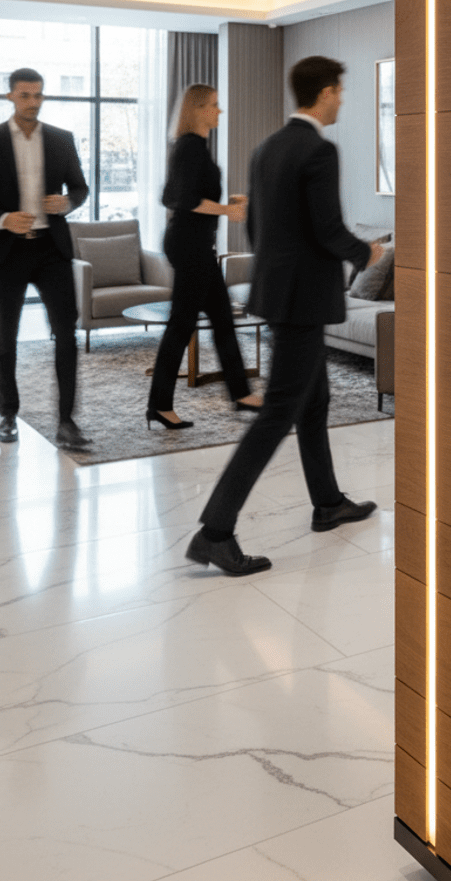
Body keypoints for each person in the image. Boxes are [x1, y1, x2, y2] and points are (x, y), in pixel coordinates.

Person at [186, 56, 383, 576]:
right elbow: (327, 229)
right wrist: (366, 253)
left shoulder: (267, 147)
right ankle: (215, 532)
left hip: (277, 295)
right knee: (277, 413)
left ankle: (327, 503)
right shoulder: (319, 150)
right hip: (304, 301)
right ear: (324, 93)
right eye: (339, 91)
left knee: (313, 402)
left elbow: (257, 227)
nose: (342, 100)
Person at [0, 67, 91, 450]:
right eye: (25, 95)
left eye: (38, 95)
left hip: (51, 250)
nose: (33, 102)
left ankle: (67, 421)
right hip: (6, 251)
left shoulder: (61, 139)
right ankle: (8, 414)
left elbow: (80, 187)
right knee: (4, 337)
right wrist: (2, 219)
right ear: (10, 96)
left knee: (66, 334)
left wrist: (68, 202)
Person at [146, 84, 262, 429]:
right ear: (197, 109)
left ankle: (241, 393)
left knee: (223, 320)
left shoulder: (191, 146)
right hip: (190, 245)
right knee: (181, 326)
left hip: (194, 244)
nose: (219, 110)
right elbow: (184, 200)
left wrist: (225, 206)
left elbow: (169, 195)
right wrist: (227, 210)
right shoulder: (190, 147)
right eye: (213, 104)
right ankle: (159, 405)